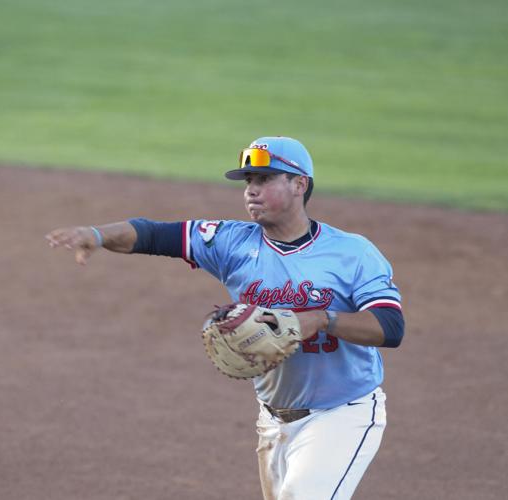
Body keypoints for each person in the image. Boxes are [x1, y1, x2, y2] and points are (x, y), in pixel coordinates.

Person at [45, 136, 404, 500]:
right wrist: (96, 234)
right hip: (273, 421)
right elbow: (152, 234)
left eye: (265, 179)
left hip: (342, 414)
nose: (252, 190)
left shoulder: (352, 252)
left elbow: (390, 327)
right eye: (248, 181)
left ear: (299, 184)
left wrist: (322, 319)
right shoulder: (231, 242)